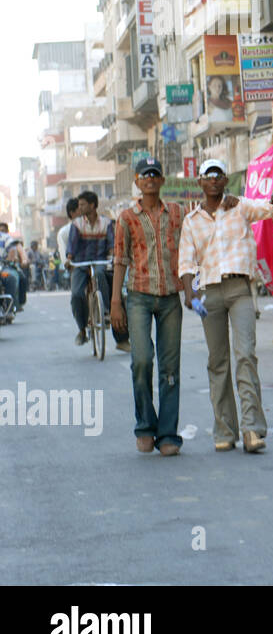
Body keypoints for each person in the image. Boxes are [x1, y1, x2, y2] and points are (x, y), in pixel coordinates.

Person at [179, 159, 273, 453]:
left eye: (218, 175)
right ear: (200, 182)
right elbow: (187, 263)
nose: (213, 180)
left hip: (239, 289)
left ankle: (252, 429)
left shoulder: (240, 207)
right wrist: (190, 293)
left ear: (225, 180)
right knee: (218, 362)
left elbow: (270, 207)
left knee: (246, 356)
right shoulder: (192, 221)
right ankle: (224, 430)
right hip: (209, 294)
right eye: (208, 175)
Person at [111, 157, 190, 456]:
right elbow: (120, 259)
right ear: (137, 180)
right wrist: (115, 301)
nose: (151, 179)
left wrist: (191, 290)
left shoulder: (178, 213)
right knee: (142, 360)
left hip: (170, 297)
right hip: (139, 297)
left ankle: (168, 433)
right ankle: (145, 425)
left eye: (155, 174)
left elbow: (188, 251)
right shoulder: (126, 218)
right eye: (145, 175)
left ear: (162, 180)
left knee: (170, 368)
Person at [68, 190, 129, 351]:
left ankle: (109, 315)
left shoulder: (106, 223)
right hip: (81, 264)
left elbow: (112, 243)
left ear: (92, 205)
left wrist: (112, 254)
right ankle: (82, 328)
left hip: (100, 262)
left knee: (113, 288)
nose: (79, 207)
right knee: (76, 295)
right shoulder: (76, 225)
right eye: (79, 205)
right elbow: (72, 246)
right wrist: (69, 258)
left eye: (82, 204)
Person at [56, 198, 78, 275]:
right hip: (77, 268)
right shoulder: (63, 233)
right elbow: (65, 260)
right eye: (80, 209)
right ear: (72, 213)